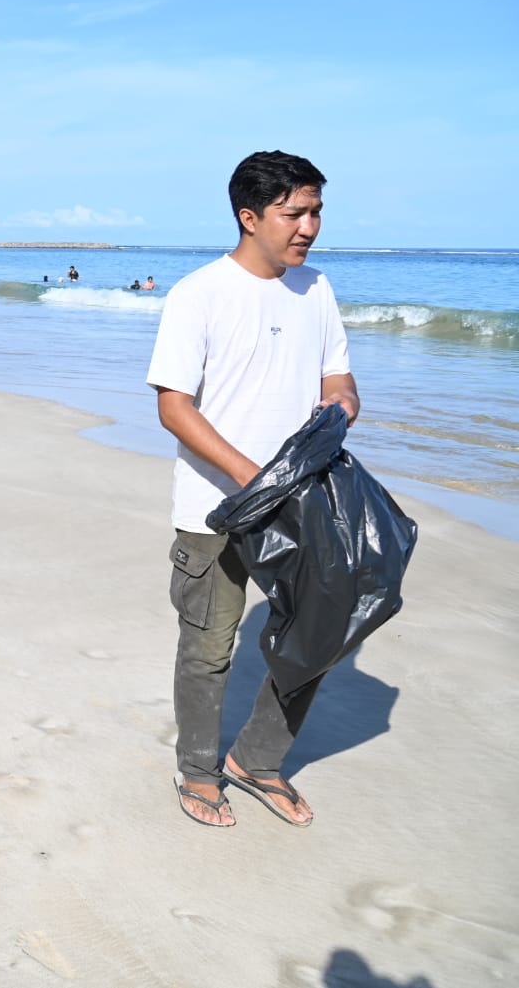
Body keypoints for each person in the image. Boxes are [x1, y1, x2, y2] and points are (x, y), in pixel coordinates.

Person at [146, 150, 358, 830]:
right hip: (216, 505)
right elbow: (175, 406)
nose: (309, 226)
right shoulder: (198, 294)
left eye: (316, 211)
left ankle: (259, 760)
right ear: (249, 215)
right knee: (209, 647)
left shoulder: (317, 289)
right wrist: (252, 477)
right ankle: (199, 770)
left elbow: (339, 382)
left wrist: (342, 409)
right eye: (294, 212)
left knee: (319, 634)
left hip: (302, 502)